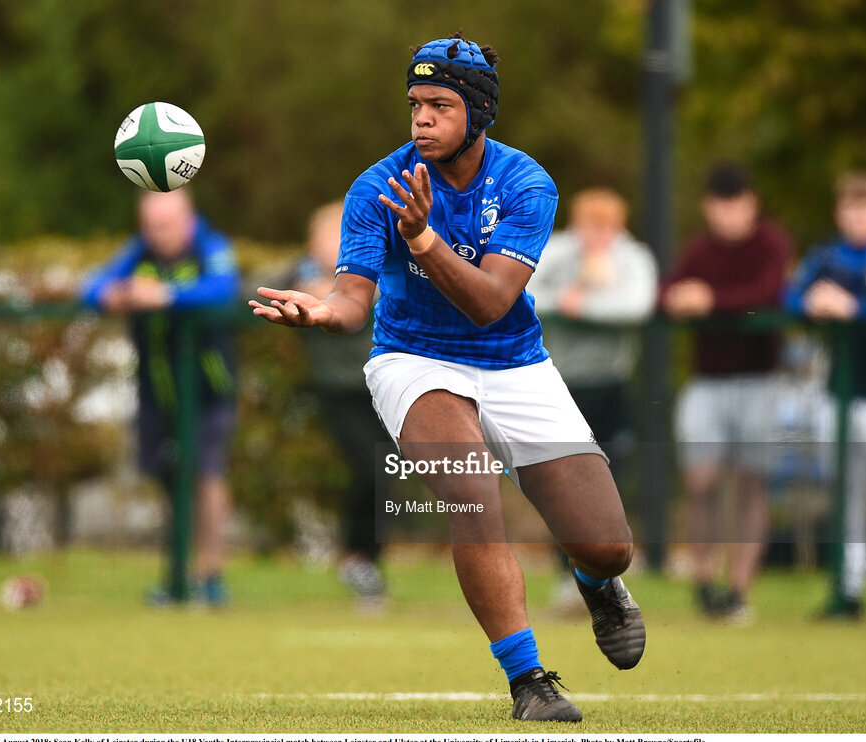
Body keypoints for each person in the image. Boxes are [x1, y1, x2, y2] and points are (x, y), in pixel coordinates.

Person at [250, 33, 645, 723]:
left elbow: (492, 302)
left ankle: (595, 582)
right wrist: (323, 311)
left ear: (479, 109)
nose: (421, 119)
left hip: (515, 361)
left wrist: (426, 241)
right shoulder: (378, 186)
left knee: (607, 544)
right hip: (413, 359)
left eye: (439, 104)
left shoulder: (526, 182)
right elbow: (353, 299)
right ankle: (529, 680)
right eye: (414, 104)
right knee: (471, 496)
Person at [81, 188, 241, 607]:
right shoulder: (139, 253)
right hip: (157, 391)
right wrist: (109, 296)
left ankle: (211, 577)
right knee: (169, 479)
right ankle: (177, 577)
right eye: (150, 226)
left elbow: (223, 289)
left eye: (166, 225)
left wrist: (164, 295)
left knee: (206, 476)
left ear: (188, 220)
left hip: (208, 389)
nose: (158, 234)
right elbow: (92, 285)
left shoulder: (211, 246)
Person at [660, 163, 793, 622]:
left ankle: (739, 590)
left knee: (750, 484)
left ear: (751, 203)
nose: (729, 213)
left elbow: (769, 291)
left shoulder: (771, 243)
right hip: (707, 382)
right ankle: (704, 582)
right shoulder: (699, 250)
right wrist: (679, 298)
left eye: (736, 203)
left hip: (760, 381)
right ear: (708, 206)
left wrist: (710, 300)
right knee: (701, 480)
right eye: (720, 204)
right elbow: (667, 292)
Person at [785, 170, 866, 620]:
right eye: (851, 209)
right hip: (837, 395)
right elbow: (791, 297)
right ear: (841, 213)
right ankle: (848, 587)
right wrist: (811, 303)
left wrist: (853, 307)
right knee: (846, 494)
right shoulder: (826, 256)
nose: (859, 218)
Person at [529, 188, 657, 612]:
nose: (597, 235)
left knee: (609, 479)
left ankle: (606, 576)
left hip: (612, 384)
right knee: (559, 481)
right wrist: (565, 295)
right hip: (559, 382)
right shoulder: (557, 251)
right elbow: (521, 288)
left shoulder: (632, 257)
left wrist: (584, 304)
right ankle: (565, 577)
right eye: (590, 225)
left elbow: (636, 305)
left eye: (607, 227)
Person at [290, 201, 392, 608]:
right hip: (338, 391)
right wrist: (308, 288)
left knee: (384, 474)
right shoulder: (300, 271)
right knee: (369, 468)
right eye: (327, 237)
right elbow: (254, 287)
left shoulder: (376, 270)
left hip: (386, 388)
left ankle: (368, 563)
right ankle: (358, 558)